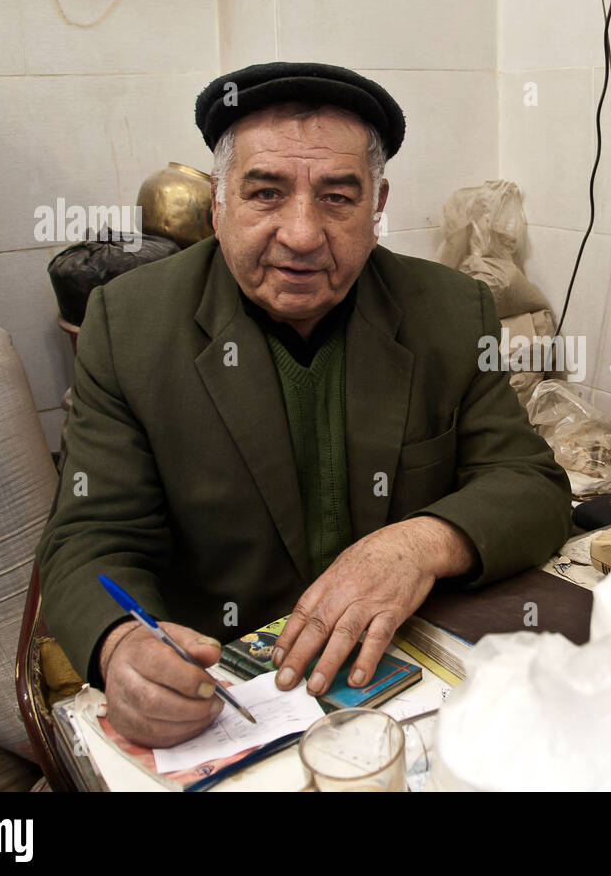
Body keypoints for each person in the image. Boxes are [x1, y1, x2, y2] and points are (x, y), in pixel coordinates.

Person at [37, 62, 573, 747]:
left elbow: (529, 483)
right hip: (232, 700)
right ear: (218, 203)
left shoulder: (448, 310)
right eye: (265, 193)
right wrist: (119, 648)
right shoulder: (131, 324)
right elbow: (90, 537)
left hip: (415, 683)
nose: (301, 234)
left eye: (337, 198)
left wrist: (421, 543)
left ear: (377, 204)